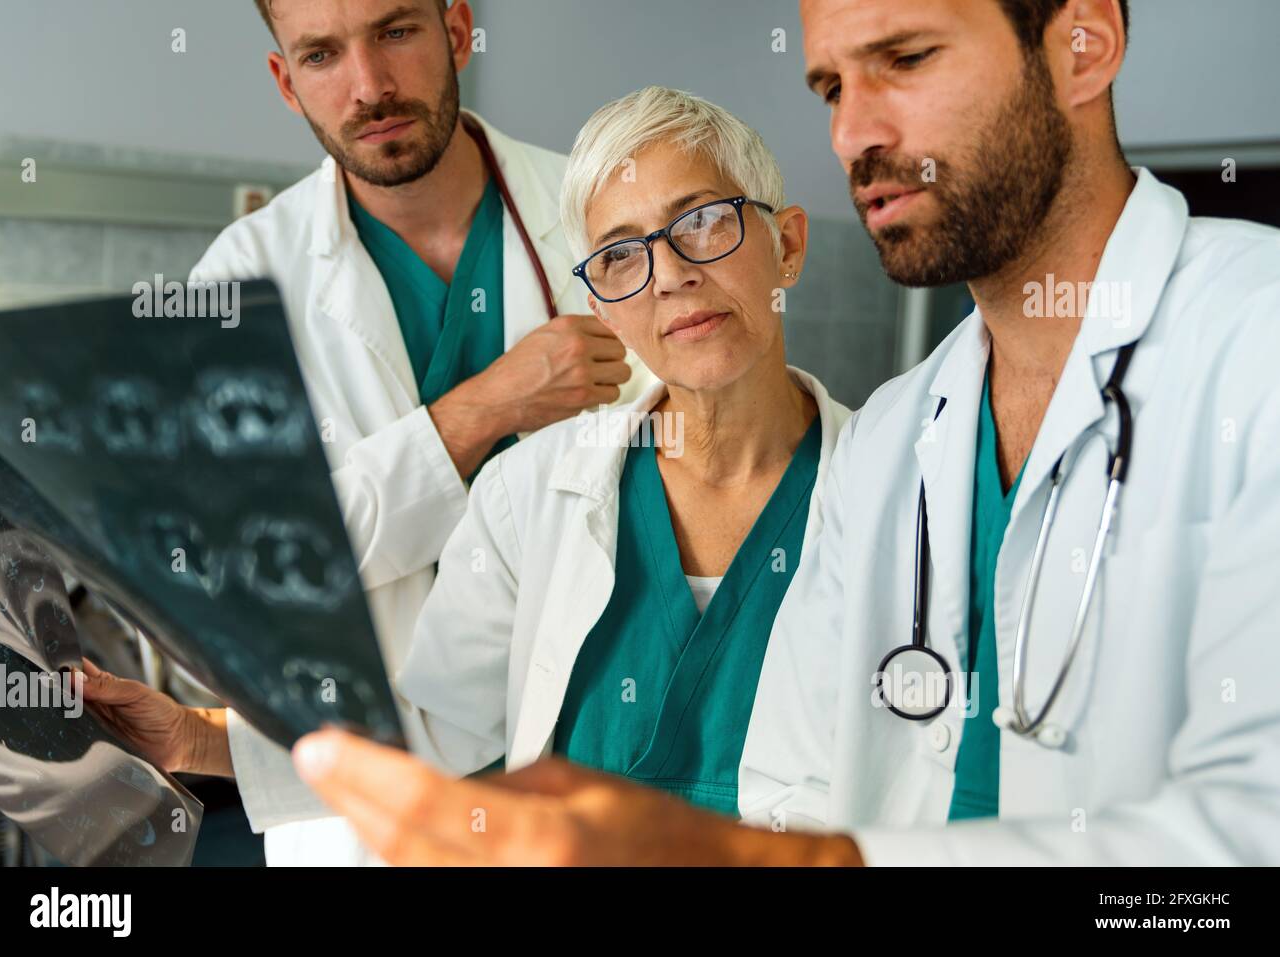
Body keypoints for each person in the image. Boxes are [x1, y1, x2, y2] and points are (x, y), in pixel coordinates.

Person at [289, 0, 1280, 865]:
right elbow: (791, 788)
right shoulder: (903, 437)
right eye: (829, 88)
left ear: (1082, 43)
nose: (851, 134)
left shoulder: (1254, 343)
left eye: (906, 57)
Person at [87, 88, 851, 826]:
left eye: (705, 222)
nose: (673, 273)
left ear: (787, 244)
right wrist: (195, 739)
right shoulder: (531, 493)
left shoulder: (889, 490)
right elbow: (435, 722)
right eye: (622, 255)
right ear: (602, 306)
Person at [153, 0, 648, 866]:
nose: (368, 86)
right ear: (285, 81)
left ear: (456, 32)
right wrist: (483, 409)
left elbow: (685, 486)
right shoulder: (240, 280)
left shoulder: (605, 215)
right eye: (321, 55)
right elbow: (245, 568)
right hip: (363, 814)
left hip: (593, 764)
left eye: (395, 31)